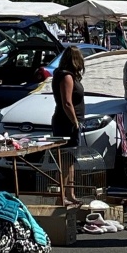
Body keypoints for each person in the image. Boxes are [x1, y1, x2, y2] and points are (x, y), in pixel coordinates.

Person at [52, 46, 85, 206]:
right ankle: (61, 195)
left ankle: (70, 194)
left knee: (70, 160)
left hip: (70, 122)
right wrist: (75, 121)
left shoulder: (68, 75)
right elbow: (67, 102)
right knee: (65, 160)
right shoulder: (66, 76)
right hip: (67, 123)